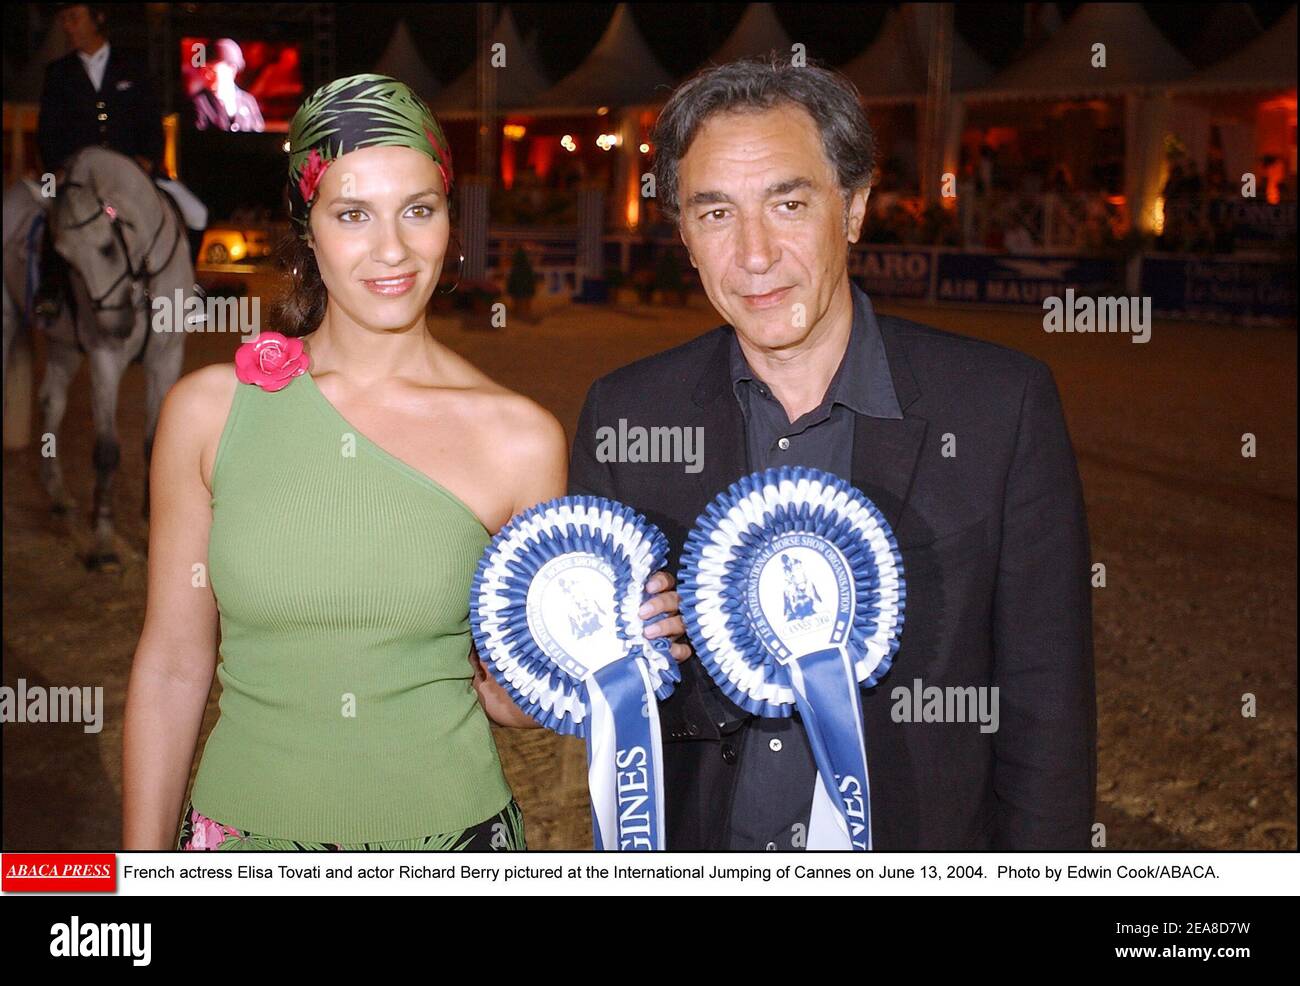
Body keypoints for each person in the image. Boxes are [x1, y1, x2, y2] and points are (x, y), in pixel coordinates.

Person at [121, 74, 689, 851]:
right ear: (307, 227)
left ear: (449, 219)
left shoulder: (518, 437)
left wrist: (598, 657)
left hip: (452, 843)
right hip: (242, 843)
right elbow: (172, 666)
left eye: (418, 210)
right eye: (353, 213)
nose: (392, 249)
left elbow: (520, 688)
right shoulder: (211, 412)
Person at [569, 54, 1096, 851]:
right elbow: (607, 708)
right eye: (715, 214)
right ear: (683, 234)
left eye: (787, 202)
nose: (753, 253)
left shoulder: (1001, 406)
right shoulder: (624, 413)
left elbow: (1046, 707)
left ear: (852, 210)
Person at [35, 3, 206, 315]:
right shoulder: (58, 73)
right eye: (64, 20)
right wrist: (58, 169)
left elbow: (153, 125)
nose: (68, 27)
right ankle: (51, 291)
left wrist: (148, 160)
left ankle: (183, 289)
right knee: (48, 210)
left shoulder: (133, 66)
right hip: (78, 179)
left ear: (98, 17)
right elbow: (47, 133)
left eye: (74, 18)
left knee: (198, 214)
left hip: (133, 174)